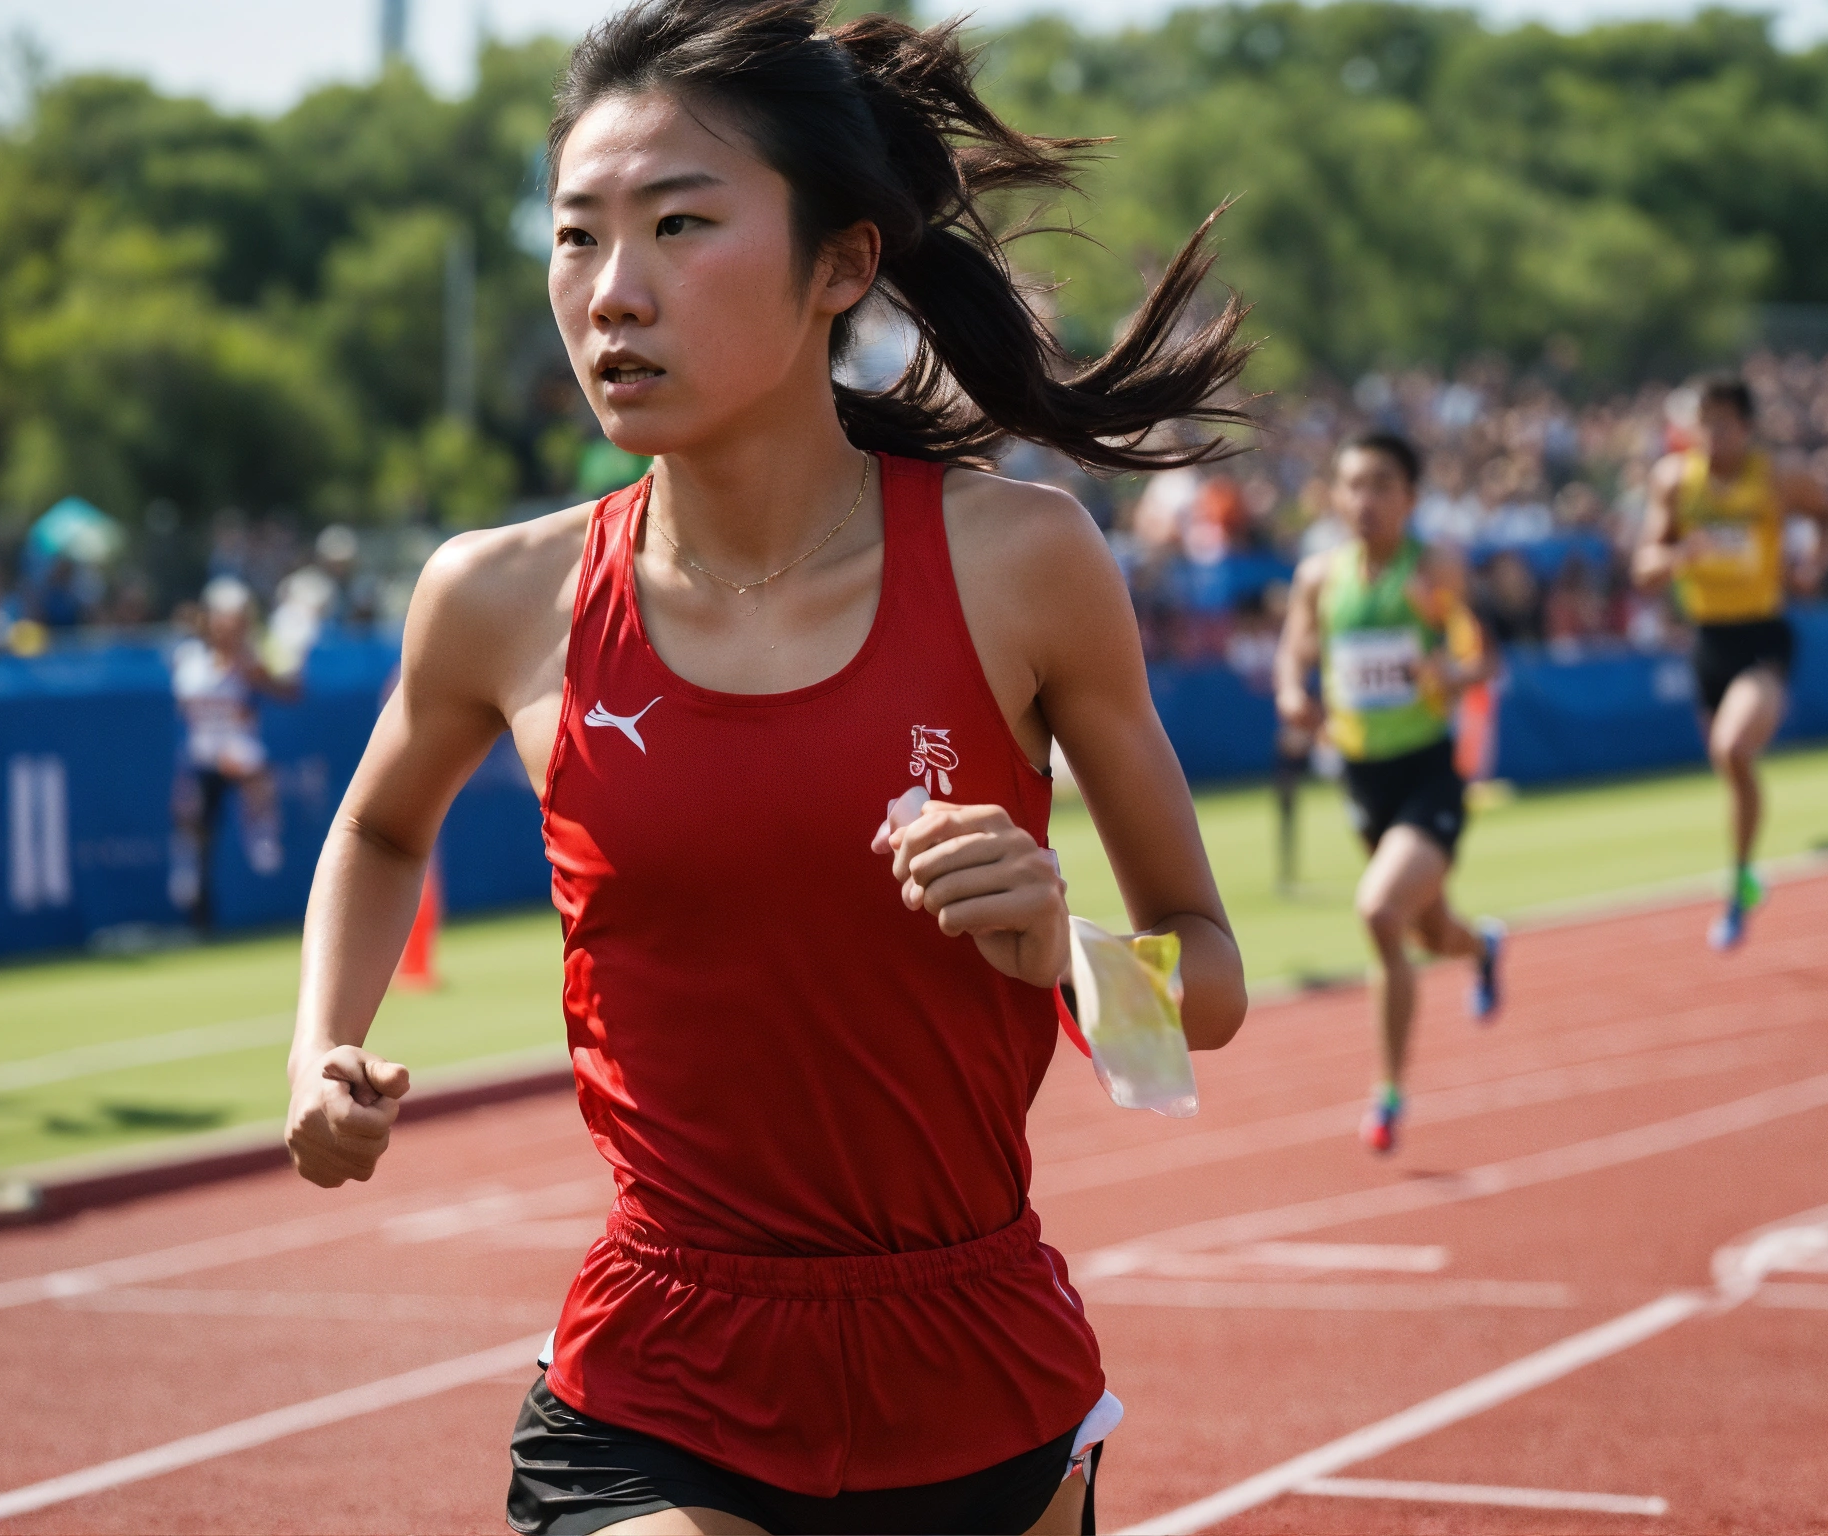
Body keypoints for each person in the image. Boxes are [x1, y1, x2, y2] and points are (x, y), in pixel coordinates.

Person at [281, 3, 1250, 1530]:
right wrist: (319, 1045)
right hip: (663, 1367)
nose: (613, 291)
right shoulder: (499, 598)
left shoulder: (1022, 565)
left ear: (840, 266)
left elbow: (1203, 999)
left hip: (979, 1374)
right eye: (576, 236)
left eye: (679, 226)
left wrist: (1064, 953)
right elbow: (380, 828)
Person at [1275, 432, 1503, 1156]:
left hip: (1428, 774)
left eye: (1380, 485)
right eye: (1353, 485)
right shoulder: (1320, 577)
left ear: (1410, 498)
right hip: (1362, 780)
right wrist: (1292, 695)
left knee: (1379, 912)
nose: (1364, 500)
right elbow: (1294, 653)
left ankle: (1388, 1096)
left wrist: (1448, 673)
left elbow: (1483, 659)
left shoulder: (1433, 570)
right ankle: (1482, 947)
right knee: (1428, 933)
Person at [1631, 375, 1828, 950]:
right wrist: (1679, 554)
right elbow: (1644, 568)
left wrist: (1815, 564)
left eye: (1723, 423)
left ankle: (1739, 876)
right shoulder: (1675, 481)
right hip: (1708, 644)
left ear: (1747, 427)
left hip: (1763, 636)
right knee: (1732, 769)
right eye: (1704, 424)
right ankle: (1745, 873)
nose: (1712, 435)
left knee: (1732, 748)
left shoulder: (1777, 477)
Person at [169, 577, 297, 929]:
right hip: (202, 754)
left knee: (254, 767)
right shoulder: (188, 658)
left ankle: (262, 830)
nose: (228, 626)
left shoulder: (251, 658)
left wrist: (261, 670)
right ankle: (192, 888)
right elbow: (184, 709)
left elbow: (289, 691)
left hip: (239, 749)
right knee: (192, 818)